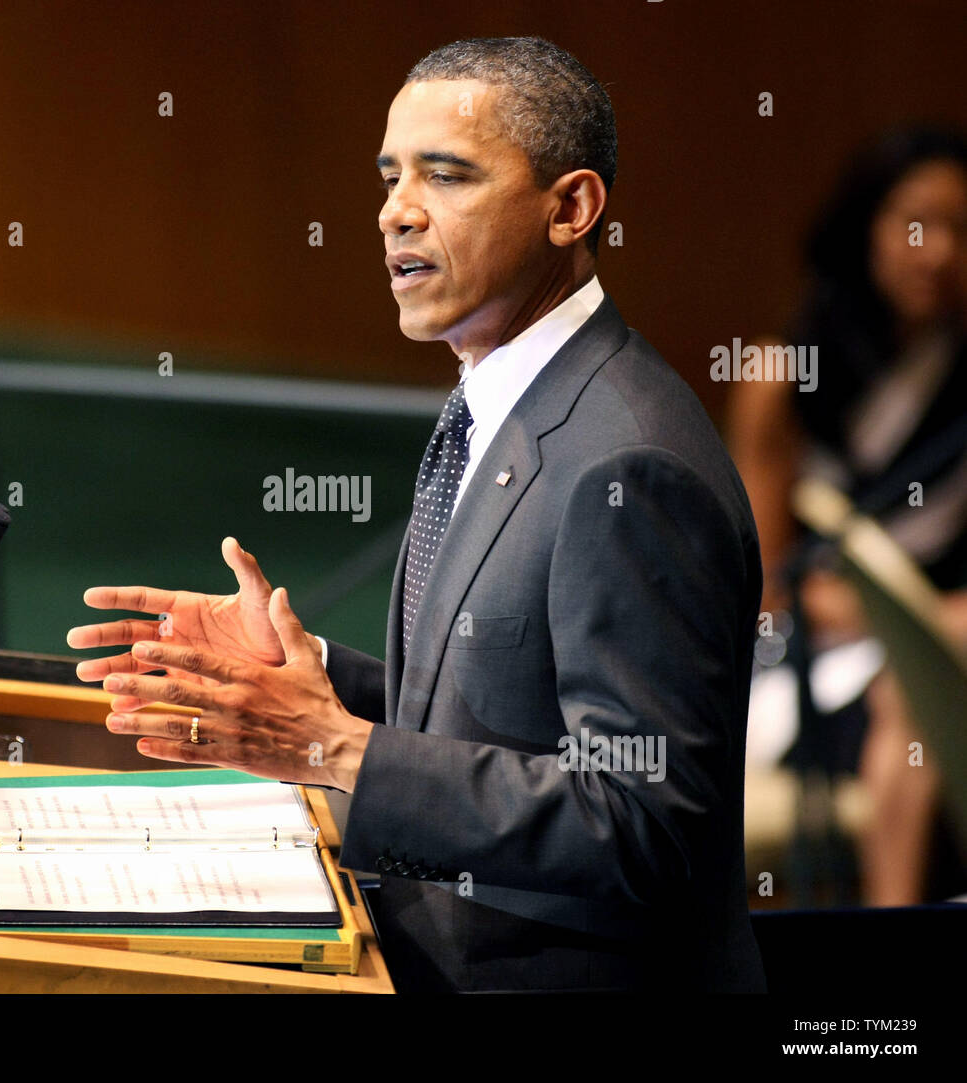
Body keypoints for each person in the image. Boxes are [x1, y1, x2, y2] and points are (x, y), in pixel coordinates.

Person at [67, 36, 766, 992]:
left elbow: (643, 823)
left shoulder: (628, 462)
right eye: (392, 176)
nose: (397, 212)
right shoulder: (501, 401)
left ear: (572, 208)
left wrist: (335, 746)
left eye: (447, 176)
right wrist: (309, 677)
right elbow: (497, 715)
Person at [729, 127, 967, 906]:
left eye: (961, 230)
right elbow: (764, 585)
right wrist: (897, 617)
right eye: (916, 223)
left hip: (944, 654)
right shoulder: (780, 375)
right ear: (866, 226)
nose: (936, 251)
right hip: (811, 663)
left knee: (924, 686)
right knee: (914, 690)